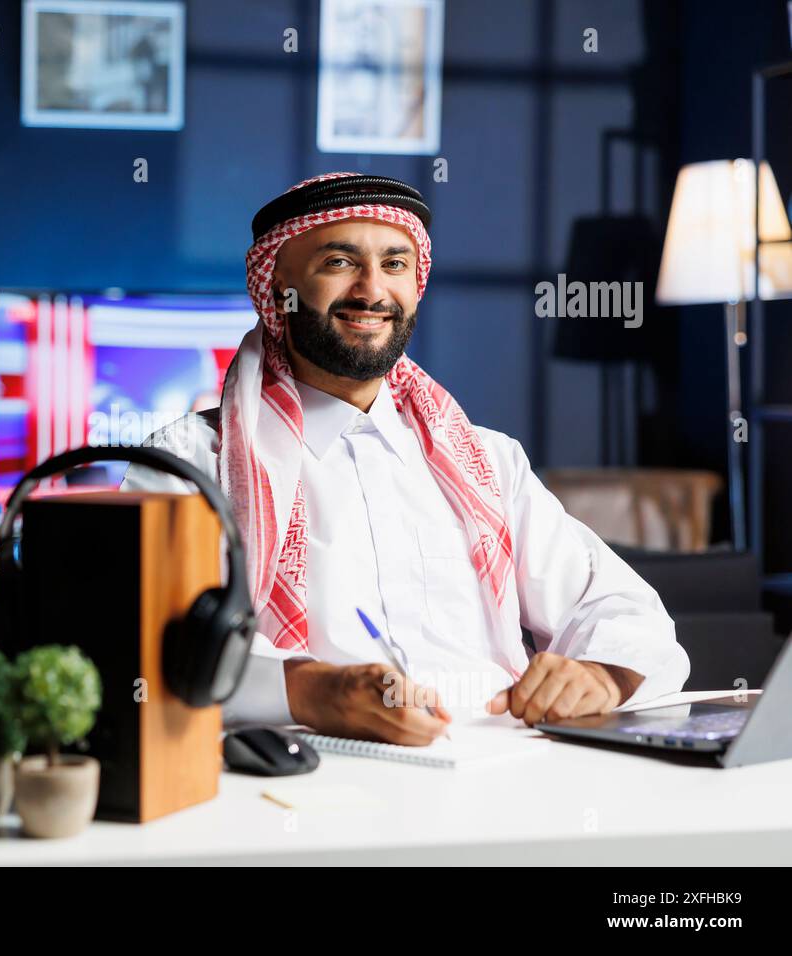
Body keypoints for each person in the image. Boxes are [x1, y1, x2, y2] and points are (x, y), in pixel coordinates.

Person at [121, 172, 689, 745]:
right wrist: (311, 691)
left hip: (506, 773)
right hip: (308, 781)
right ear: (275, 289)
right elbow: (144, 642)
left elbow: (625, 609)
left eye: (395, 264)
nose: (372, 291)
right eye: (339, 262)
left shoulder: (488, 461)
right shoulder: (190, 464)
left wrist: (599, 676)